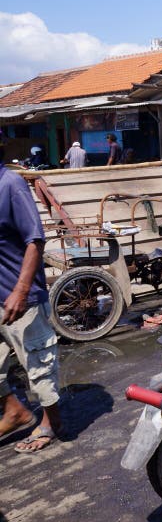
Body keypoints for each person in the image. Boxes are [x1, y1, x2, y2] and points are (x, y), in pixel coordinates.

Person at [0, 143, 62, 454]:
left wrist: (21, 291)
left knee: (38, 365)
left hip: (20, 296)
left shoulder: (10, 185)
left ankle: (52, 422)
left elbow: (34, 239)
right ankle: (16, 412)